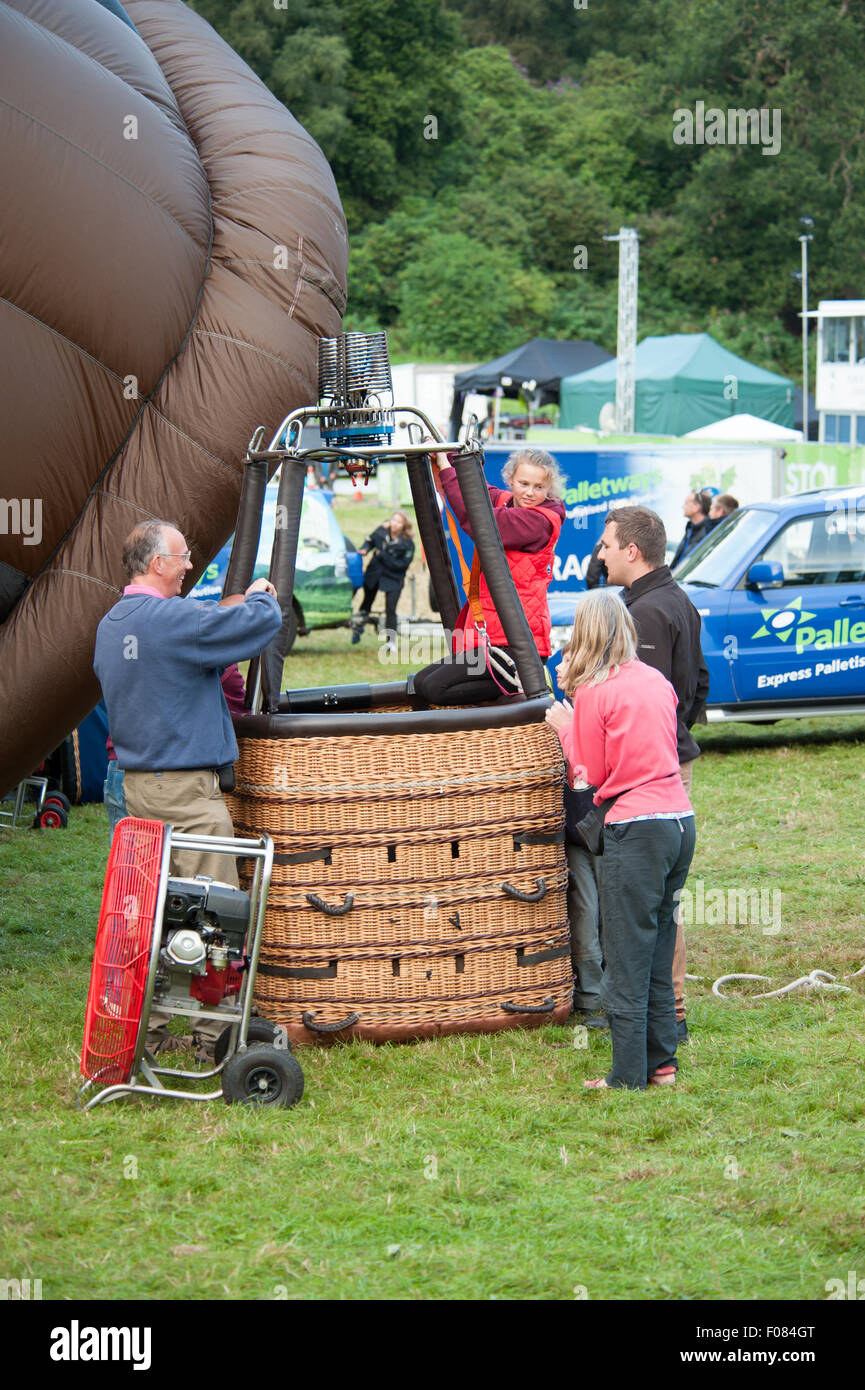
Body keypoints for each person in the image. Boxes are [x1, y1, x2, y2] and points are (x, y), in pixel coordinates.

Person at [546, 590, 696, 1090]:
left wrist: (566, 726)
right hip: (680, 821)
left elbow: (588, 775)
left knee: (626, 954)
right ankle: (662, 1064)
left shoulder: (594, 692)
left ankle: (627, 1075)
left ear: (584, 635)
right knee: (657, 949)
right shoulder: (655, 681)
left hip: (636, 827)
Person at [94, 520, 281, 889]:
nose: (190, 567)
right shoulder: (172, 619)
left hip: (133, 786)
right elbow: (258, 624)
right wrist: (260, 594)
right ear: (158, 563)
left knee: (153, 903)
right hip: (184, 796)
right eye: (183, 558)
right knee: (213, 908)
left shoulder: (109, 625)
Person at [597, 505, 708, 1044]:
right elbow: (701, 686)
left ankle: (668, 1015)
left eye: (606, 545)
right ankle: (666, 1012)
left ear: (632, 552)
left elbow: (647, 702)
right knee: (660, 898)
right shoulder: (677, 599)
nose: (600, 554)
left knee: (648, 900)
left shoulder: (645, 613)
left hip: (651, 771)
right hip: (672, 761)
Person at [414, 448, 565, 703]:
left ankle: (517, 686)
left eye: (539, 487)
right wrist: (446, 453)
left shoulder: (538, 522)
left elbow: (479, 522)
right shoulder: (506, 500)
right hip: (494, 639)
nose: (529, 492)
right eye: (524, 483)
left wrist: (445, 467)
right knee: (420, 683)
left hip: (517, 647)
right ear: (511, 480)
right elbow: (476, 489)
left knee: (434, 689)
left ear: (549, 488)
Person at [102, 663, 247, 841]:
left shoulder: (121, 640)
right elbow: (233, 693)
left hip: (120, 764)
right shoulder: (196, 642)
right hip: (169, 771)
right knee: (188, 864)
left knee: (130, 865)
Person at [352, 511, 415, 651]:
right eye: (393, 520)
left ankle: (391, 642)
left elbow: (401, 565)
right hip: (374, 574)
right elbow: (370, 540)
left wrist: (382, 555)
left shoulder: (407, 544)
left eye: (399, 522)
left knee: (391, 609)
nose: (395, 524)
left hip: (394, 577)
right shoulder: (381, 532)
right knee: (366, 603)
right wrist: (365, 549)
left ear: (404, 525)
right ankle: (358, 628)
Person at [670, 488, 715, 569]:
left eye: (686, 503)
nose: (683, 506)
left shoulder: (708, 533)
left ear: (696, 507)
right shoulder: (690, 529)